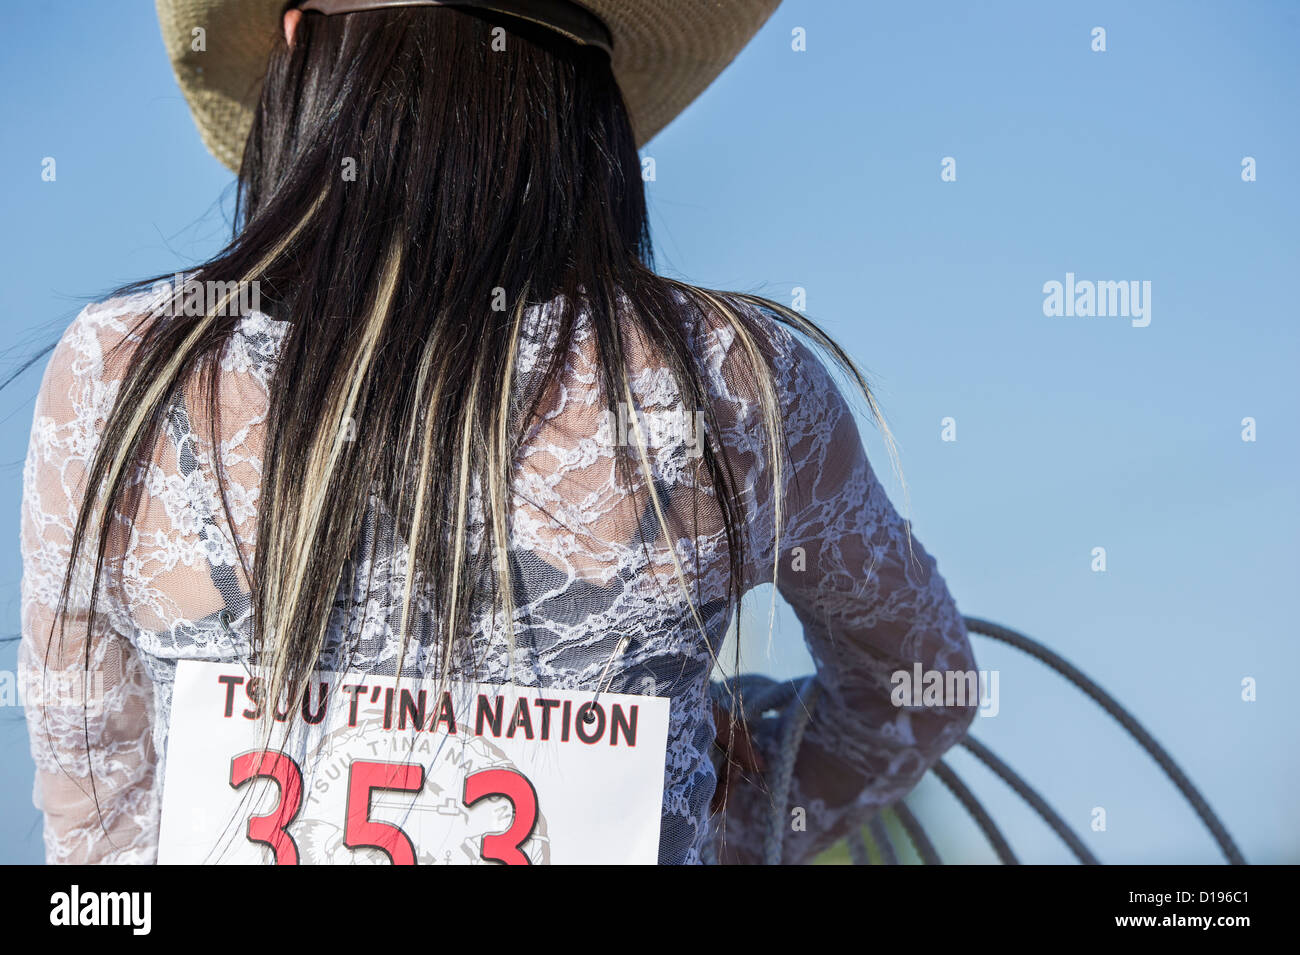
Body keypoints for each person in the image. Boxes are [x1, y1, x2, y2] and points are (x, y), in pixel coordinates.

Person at [19, 0, 976, 865]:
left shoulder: (120, 371)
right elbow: (920, 685)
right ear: (586, 89)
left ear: (301, 43)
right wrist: (689, 810)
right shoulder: (728, 377)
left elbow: (98, 829)